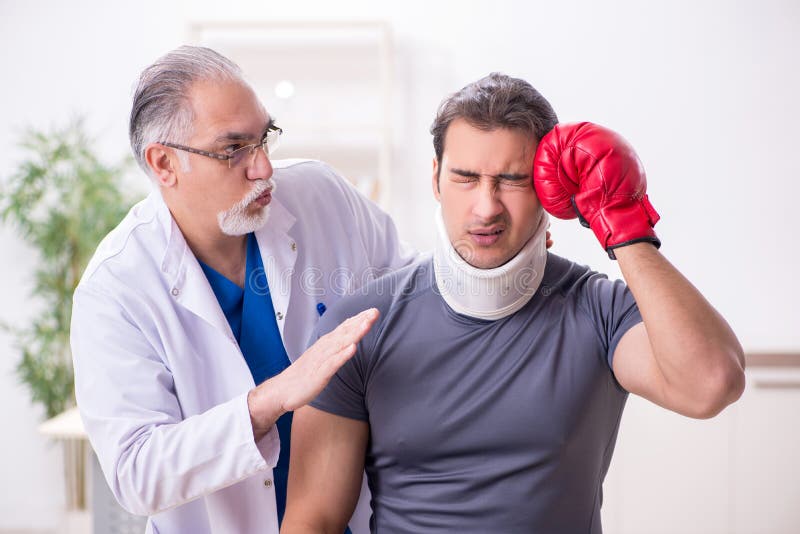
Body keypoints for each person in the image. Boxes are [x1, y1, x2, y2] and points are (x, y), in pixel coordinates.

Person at [282, 73, 746, 533]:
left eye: (512, 181)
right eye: (465, 178)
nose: (486, 208)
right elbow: (313, 520)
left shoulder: (599, 309)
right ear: (436, 180)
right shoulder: (361, 325)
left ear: (551, 188)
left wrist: (623, 224)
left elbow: (710, 385)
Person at [69, 46, 415, 534]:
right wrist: (270, 400)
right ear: (163, 163)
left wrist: (495, 263)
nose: (263, 169)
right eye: (233, 150)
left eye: (264, 139)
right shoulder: (116, 288)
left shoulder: (320, 194)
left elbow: (414, 290)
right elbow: (136, 473)